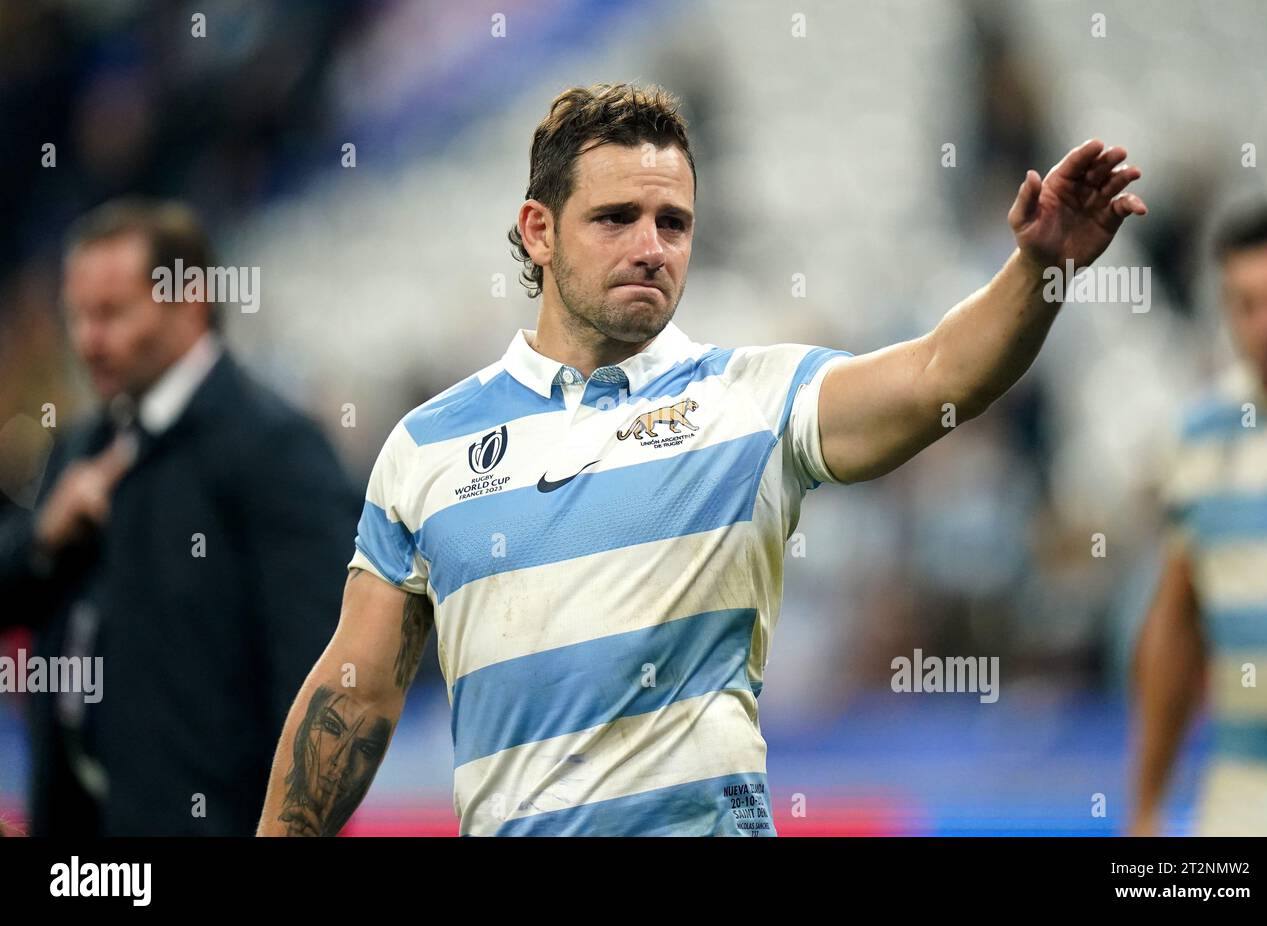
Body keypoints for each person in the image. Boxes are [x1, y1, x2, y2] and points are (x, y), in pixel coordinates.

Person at [257, 82, 1146, 836]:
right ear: (537, 230)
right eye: (616, 218)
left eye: (673, 222)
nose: (652, 246)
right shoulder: (426, 448)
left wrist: (1041, 271)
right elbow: (358, 693)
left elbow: (939, 377)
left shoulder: (751, 400)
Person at [0, 198, 358, 835]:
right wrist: (41, 537)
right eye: (76, 316)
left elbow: (325, 692)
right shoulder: (83, 447)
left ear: (189, 299)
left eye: (110, 313)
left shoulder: (275, 449)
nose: (87, 340)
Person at [1131, 204, 1267, 836]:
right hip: (1243, 800)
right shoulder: (1200, 437)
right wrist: (1146, 807)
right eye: (1247, 305)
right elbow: (1176, 629)